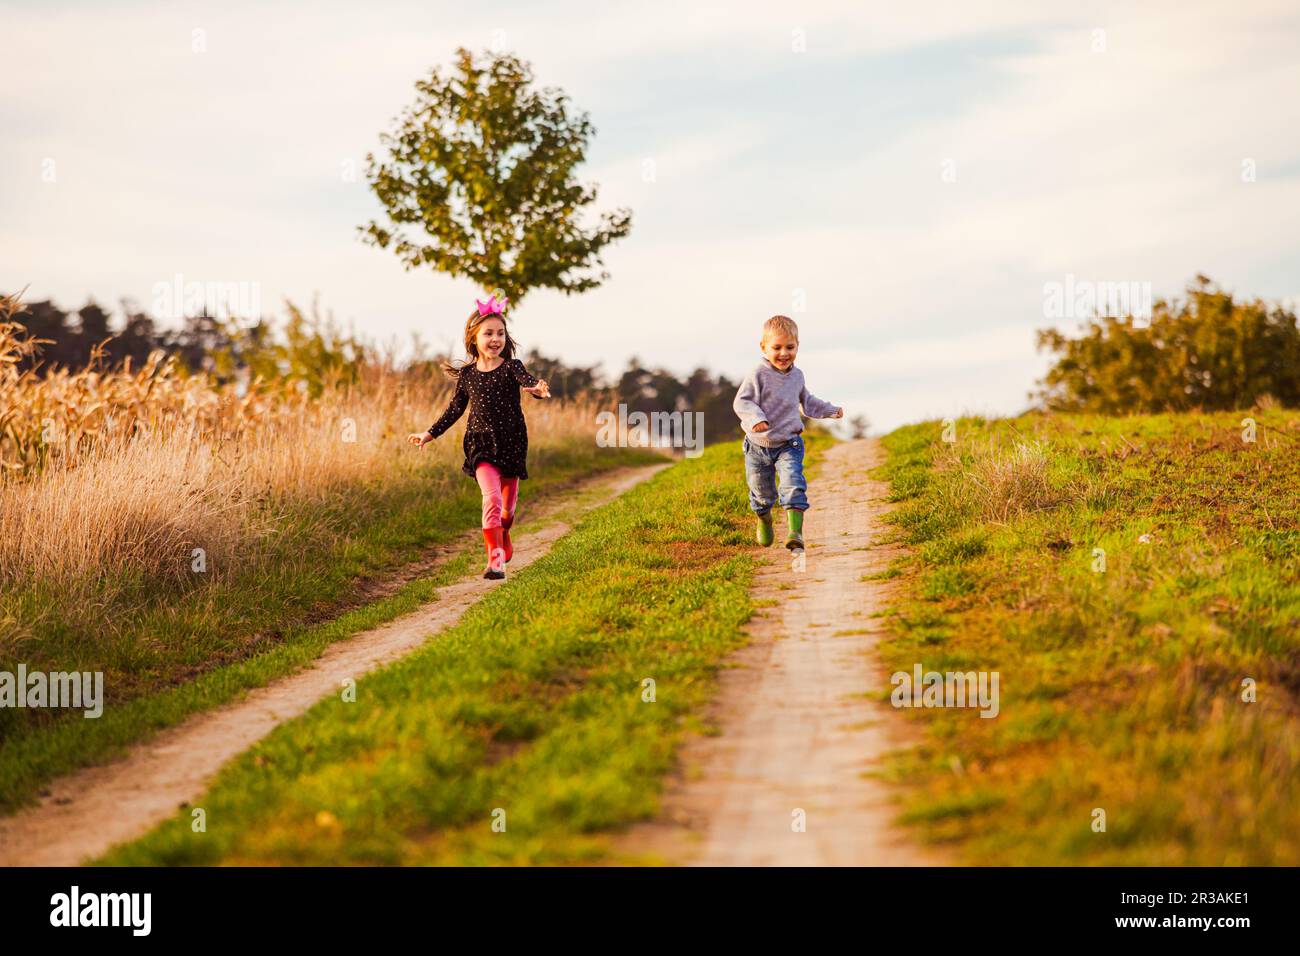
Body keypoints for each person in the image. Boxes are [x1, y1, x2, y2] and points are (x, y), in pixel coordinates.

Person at [408, 295, 550, 579]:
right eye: (488, 333)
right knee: (492, 499)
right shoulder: (468, 376)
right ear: (474, 338)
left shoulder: (512, 367)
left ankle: (504, 532)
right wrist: (429, 433)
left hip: (512, 443)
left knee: (507, 510)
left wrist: (539, 389)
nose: (495, 338)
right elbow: (455, 409)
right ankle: (495, 561)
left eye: (500, 333)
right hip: (480, 445)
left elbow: (530, 382)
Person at [732, 314, 843, 550]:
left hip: (788, 444)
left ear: (798, 346)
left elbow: (808, 402)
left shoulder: (797, 376)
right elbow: (742, 402)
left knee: (793, 484)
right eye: (777, 347)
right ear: (763, 347)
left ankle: (795, 533)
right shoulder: (758, 374)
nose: (784, 353)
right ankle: (764, 518)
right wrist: (756, 419)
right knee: (762, 495)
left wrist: (830, 410)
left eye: (790, 347)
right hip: (757, 446)